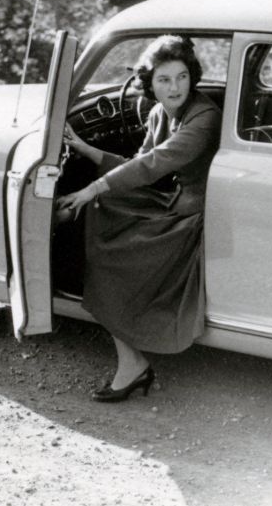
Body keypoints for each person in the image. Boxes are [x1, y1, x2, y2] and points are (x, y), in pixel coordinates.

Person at [56, 35, 222, 402]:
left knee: (107, 249)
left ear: (192, 76)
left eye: (181, 77)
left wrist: (91, 189)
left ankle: (132, 364)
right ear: (151, 84)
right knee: (101, 217)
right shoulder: (158, 113)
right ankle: (131, 361)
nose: (175, 87)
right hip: (169, 204)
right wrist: (85, 149)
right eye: (164, 80)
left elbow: (154, 164)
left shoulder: (205, 117)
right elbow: (139, 164)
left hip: (193, 218)